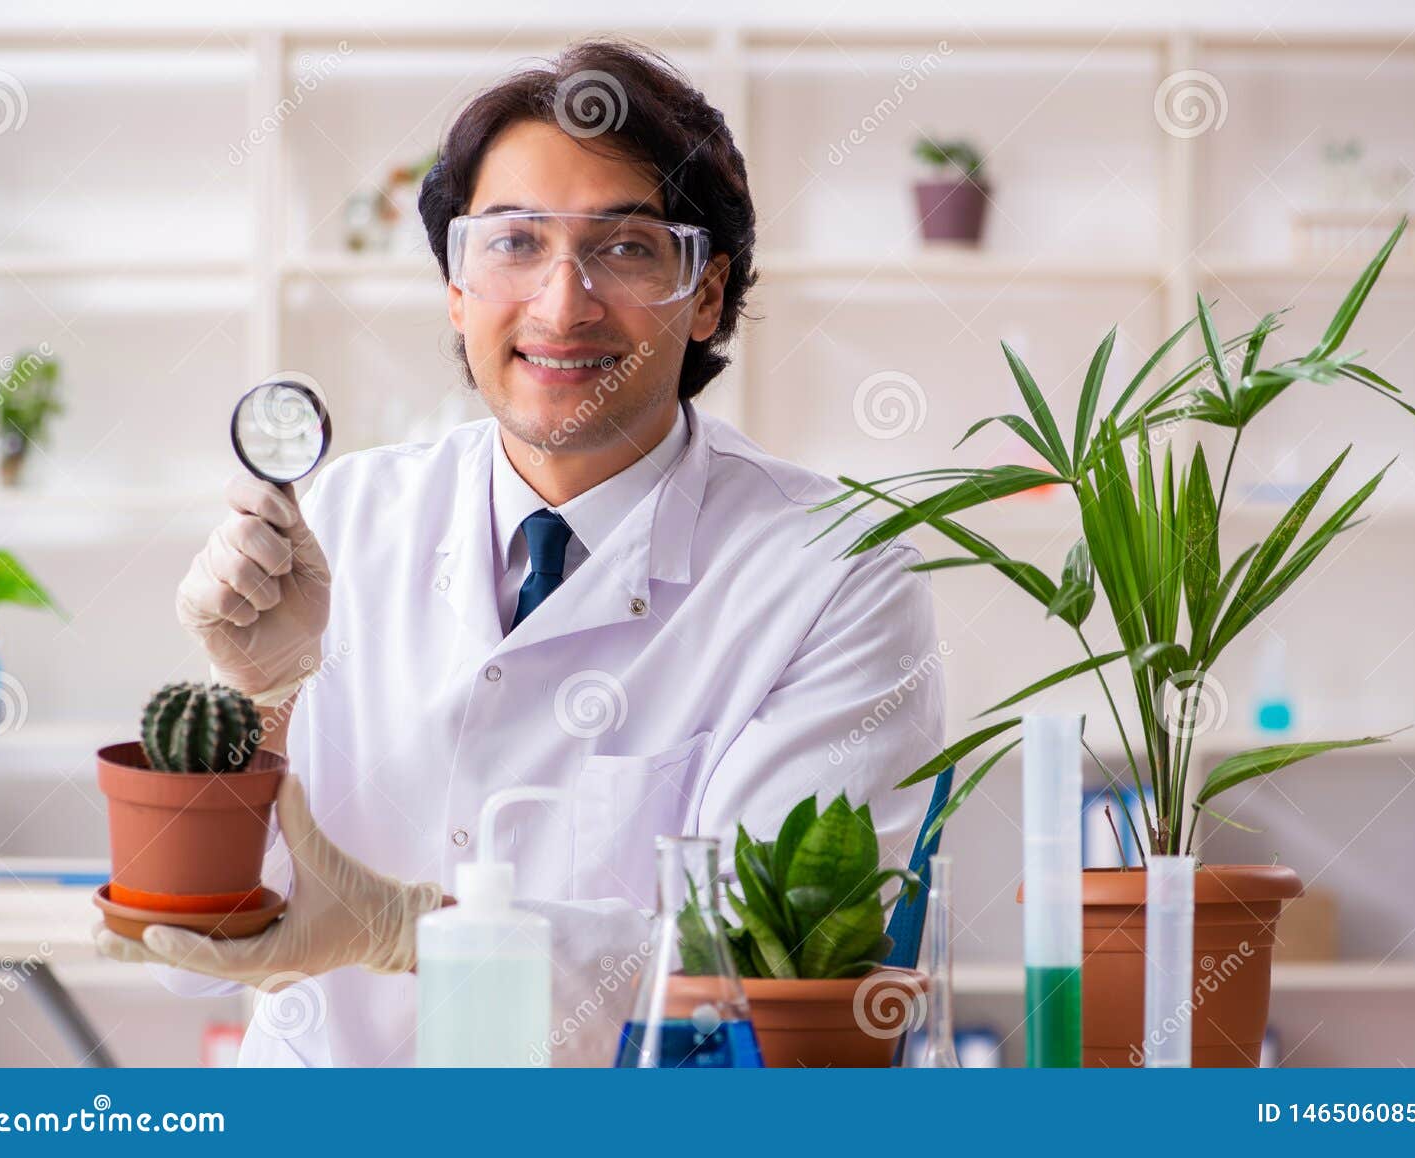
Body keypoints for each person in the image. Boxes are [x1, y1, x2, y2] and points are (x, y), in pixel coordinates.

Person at [97, 37, 945, 1067]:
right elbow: (188, 952)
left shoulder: (837, 570)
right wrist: (255, 696)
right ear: (456, 288)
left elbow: (772, 980)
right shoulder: (346, 516)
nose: (561, 303)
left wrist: (406, 932)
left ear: (708, 294)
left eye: (626, 247)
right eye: (512, 244)